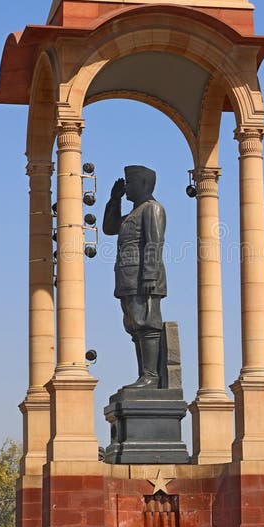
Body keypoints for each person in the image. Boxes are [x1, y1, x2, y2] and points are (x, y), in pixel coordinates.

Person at [102, 165, 166, 390]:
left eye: (130, 183)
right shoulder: (132, 213)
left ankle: (151, 376)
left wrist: (150, 275)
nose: (126, 187)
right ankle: (143, 376)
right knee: (133, 325)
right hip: (128, 277)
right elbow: (109, 228)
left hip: (144, 278)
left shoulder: (152, 209)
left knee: (146, 323)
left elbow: (154, 243)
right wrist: (114, 199)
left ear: (144, 184)